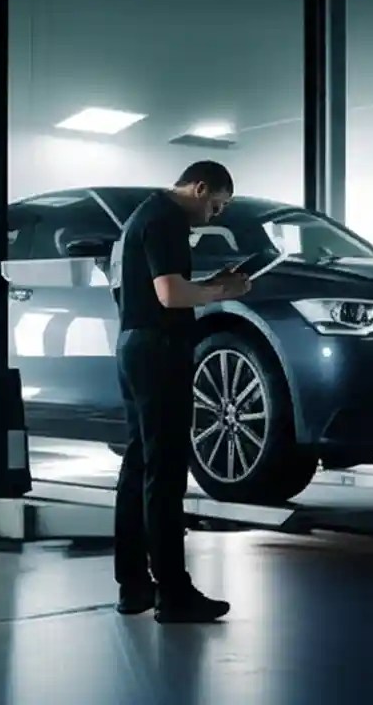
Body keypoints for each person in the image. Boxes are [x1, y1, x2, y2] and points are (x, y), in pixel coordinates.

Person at [110, 161, 250, 623]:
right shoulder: (167, 219)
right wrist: (222, 291)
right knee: (166, 472)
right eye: (217, 205)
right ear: (199, 187)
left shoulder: (142, 216)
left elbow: (159, 290)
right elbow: (170, 295)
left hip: (133, 345)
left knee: (139, 465)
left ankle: (134, 585)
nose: (215, 215)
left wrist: (208, 285)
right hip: (160, 350)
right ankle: (173, 593)